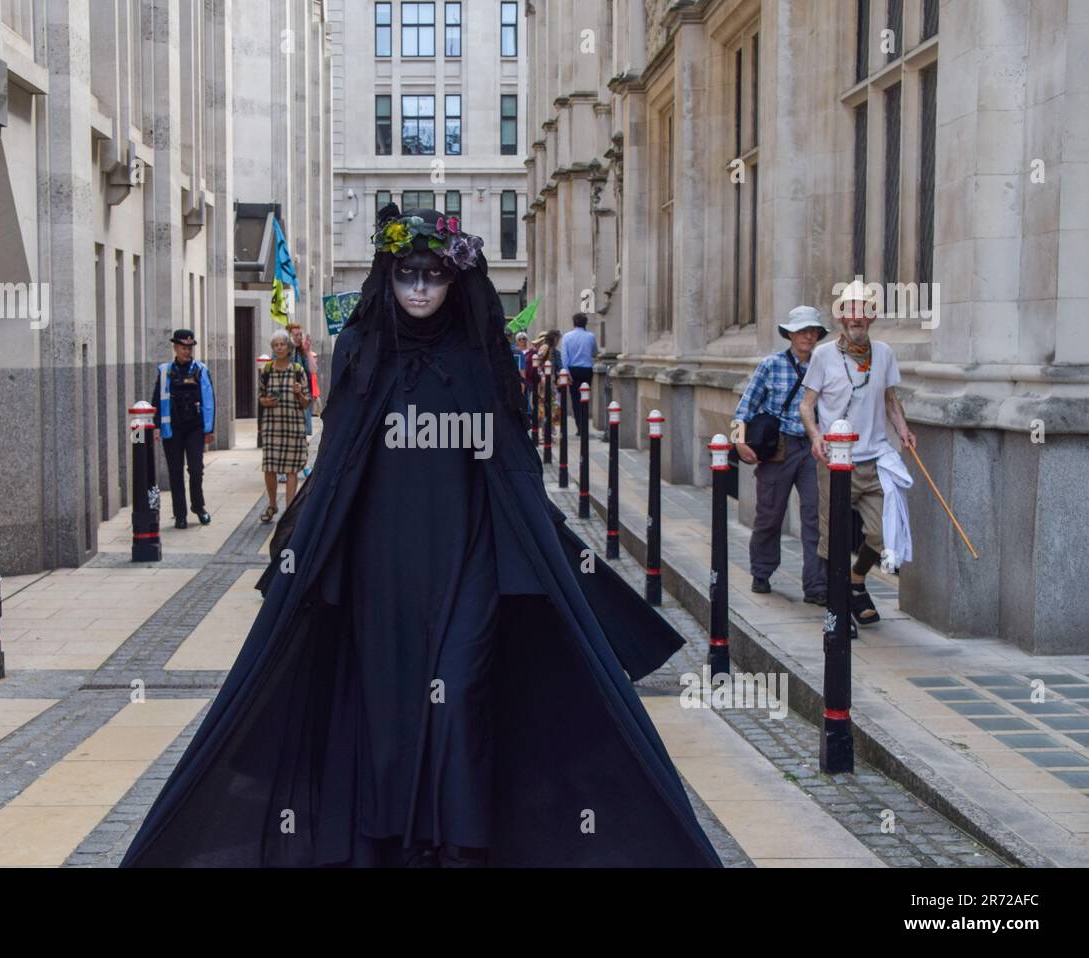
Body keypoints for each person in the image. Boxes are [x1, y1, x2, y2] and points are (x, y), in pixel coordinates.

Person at [120, 204, 722, 868]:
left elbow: (511, 456)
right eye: (406, 276)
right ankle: (392, 844)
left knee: (459, 693)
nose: (418, 291)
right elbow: (342, 454)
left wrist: (540, 546)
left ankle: (461, 842)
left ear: (454, 279)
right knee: (390, 701)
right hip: (382, 562)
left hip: (471, 553)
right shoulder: (362, 349)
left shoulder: (477, 352)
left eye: (433, 277)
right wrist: (309, 544)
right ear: (389, 274)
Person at [799, 279, 917, 628]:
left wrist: (904, 430)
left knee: (883, 535)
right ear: (841, 318)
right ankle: (837, 607)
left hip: (875, 457)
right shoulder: (822, 355)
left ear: (872, 316)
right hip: (835, 460)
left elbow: (890, 400)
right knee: (831, 536)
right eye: (850, 311)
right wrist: (816, 436)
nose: (856, 318)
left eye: (863, 311)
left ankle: (856, 579)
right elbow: (808, 405)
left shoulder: (884, 354)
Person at [732, 306, 829, 604]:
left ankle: (816, 586)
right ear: (790, 334)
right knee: (770, 514)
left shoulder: (824, 365)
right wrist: (738, 442)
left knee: (815, 517)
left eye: (812, 331)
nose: (808, 336)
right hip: (779, 448)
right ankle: (761, 571)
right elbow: (744, 407)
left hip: (812, 448)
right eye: (802, 331)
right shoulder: (770, 365)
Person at [151, 329, 214, 529]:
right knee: (175, 472)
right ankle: (180, 515)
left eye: (189, 348)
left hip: (194, 428)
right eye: (183, 348)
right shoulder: (165, 372)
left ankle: (199, 506)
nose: (187, 351)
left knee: (196, 469)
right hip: (173, 429)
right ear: (175, 348)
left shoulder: (201, 370)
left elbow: (209, 400)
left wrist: (209, 429)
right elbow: (156, 400)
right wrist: (156, 425)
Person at [257, 329, 309, 523]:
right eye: (275, 345)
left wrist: (299, 393)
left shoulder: (297, 370)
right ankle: (272, 505)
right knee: (269, 468)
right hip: (272, 426)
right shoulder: (267, 371)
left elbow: (306, 403)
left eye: (282, 344)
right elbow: (260, 397)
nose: (279, 348)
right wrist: (266, 402)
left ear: (289, 348)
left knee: (291, 470)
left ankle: (289, 511)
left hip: (293, 426)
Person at [560, 312, 598, 433]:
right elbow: (594, 353)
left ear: (574, 323)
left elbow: (564, 357)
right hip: (587, 370)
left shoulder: (567, 336)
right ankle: (584, 424)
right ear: (585, 323)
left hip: (573, 370)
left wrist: (566, 373)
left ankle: (579, 426)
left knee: (575, 399)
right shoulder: (591, 336)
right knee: (585, 397)